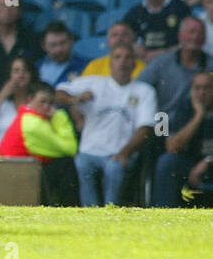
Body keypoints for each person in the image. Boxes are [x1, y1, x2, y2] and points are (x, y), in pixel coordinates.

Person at [57, 43, 157, 206]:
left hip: (121, 153)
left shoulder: (144, 91)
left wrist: (125, 152)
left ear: (134, 63)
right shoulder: (93, 83)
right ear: (110, 62)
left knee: (114, 168)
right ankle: (90, 214)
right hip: (89, 152)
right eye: (117, 57)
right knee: (81, 164)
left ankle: (111, 212)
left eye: (128, 58)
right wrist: (74, 100)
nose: (122, 62)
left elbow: (145, 128)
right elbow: (57, 94)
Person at [0, 80, 79, 205]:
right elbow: (70, 149)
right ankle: (69, 207)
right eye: (42, 101)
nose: (47, 107)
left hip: (15, 172)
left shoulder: (28, 118)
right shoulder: (33, 124)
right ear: (30, 99)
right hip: (14, 177)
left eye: (50, 103)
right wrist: (59, 117)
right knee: (66, 163)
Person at [154, 72, 213, 207]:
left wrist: (207, 162)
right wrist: (198, 116)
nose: (201, 93)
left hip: (208, 163)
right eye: (197, 88)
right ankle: (164, 212)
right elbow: (172, 147)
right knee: (167, 162)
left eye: (206, 88)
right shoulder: (185, 107)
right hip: (191, 162)